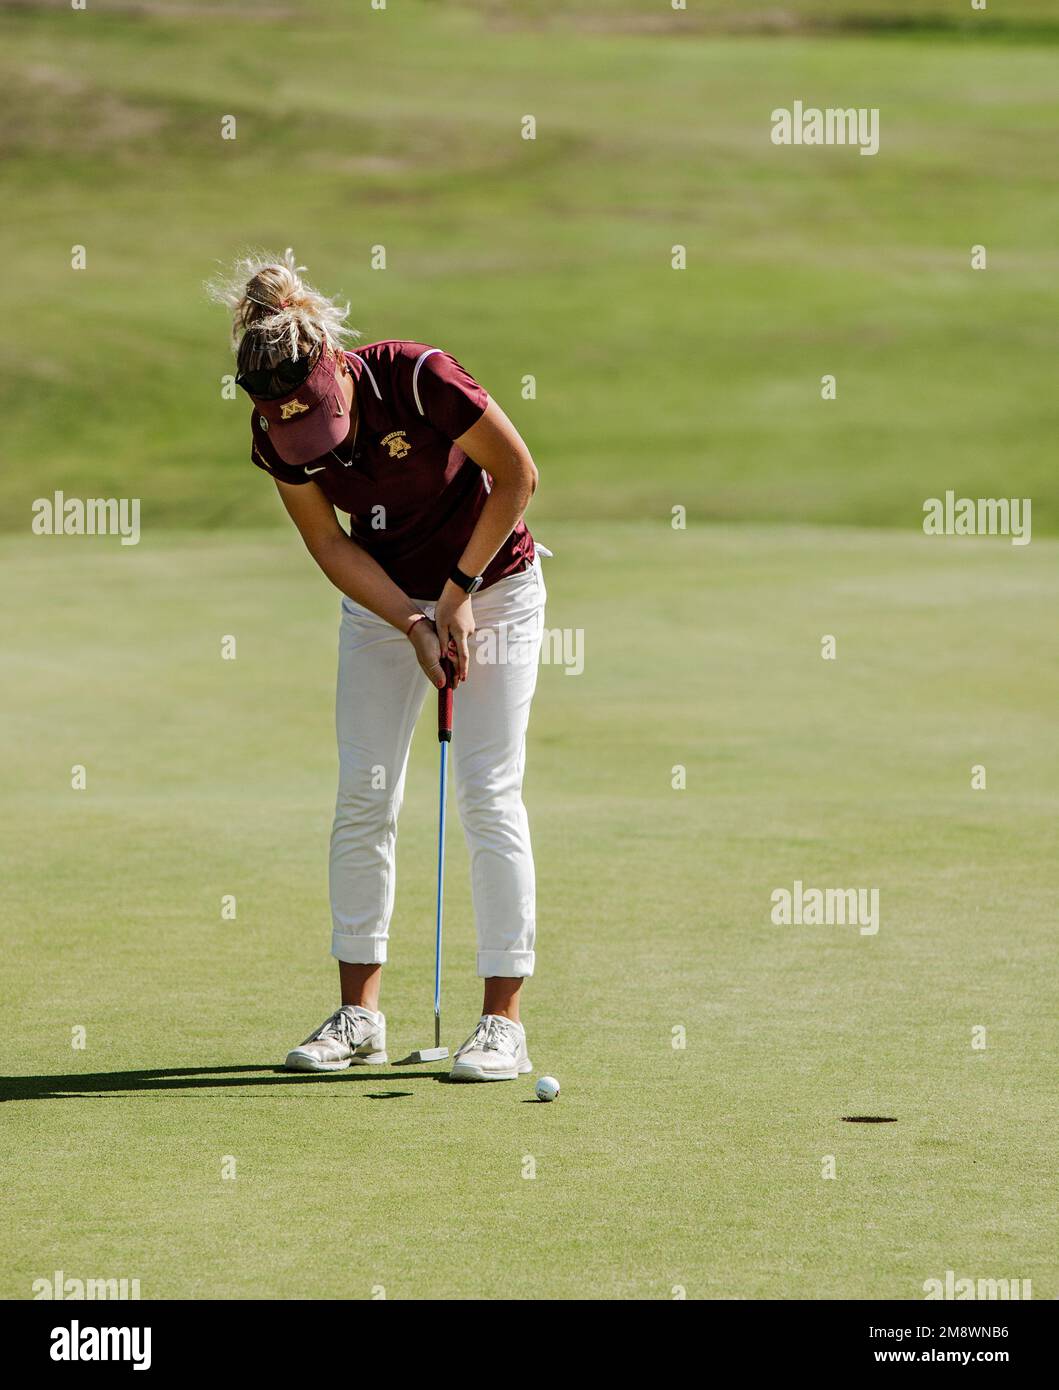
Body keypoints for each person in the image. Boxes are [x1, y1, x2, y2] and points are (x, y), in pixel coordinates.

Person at [211, 250, 546, 1081]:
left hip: (493, 585)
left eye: (314, 413)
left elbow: (516, 476)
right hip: (383, 601)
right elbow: (327, 541)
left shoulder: (416, 376)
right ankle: (358, 1014)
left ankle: (501, 1022)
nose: (308, 435)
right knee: (364, 791)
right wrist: (408, 618)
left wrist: (457, 593)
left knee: (487, 790)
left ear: (333, 364)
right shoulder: (276, 433)